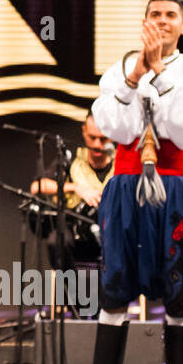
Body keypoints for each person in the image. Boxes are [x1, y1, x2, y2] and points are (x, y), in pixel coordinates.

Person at [76, 0, 183, 364]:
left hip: (176, 185)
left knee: (179, 287)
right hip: (125, 184)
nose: (161, 21)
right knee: (115, 285)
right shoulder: (119, 68)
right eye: (154, 14)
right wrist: (132, 78)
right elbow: (113, 130)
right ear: (144, 22)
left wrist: (159, 73)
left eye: (170, 15)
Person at [29, 110, 115, 266]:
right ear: (84, 131)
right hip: (76, 233)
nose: (97, 144)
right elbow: (37, 186)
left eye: (103, 139)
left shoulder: (121, 165)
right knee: (57, 241)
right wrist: (75, 187)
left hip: (114, 232)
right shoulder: (71, 161)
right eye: (92, 137)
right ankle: (73, 290)